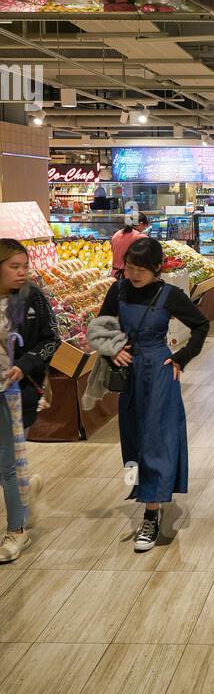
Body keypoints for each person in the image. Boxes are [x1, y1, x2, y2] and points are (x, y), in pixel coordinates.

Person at [96, 237, 209, 552]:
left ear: (157, 268)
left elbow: (200, 325)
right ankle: (147, 495)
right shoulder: (117, 290)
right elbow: (101, 328)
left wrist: (181, 358)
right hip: (129, 376)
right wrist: (111, 351)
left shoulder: (169, 295)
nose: (133, 274)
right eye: (129, 267)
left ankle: (151, 513)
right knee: (134, 437)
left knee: (157, 439)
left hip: (159, 374)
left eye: (140, 269)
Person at [0, 241, 59, 562]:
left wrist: (25, 365)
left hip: (14, 391)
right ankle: (26, 492)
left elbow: (53, 339)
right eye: (14, 266)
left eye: (25, 265)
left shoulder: (32, 296)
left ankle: (17, 532)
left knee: (7, 463)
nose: (23, 272)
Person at [110, 214, 149, 280]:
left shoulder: (116, 234)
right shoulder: (140, 237)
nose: (144, 229)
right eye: (145, 226)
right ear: (141, 224)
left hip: (114, 275)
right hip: (130, 277)